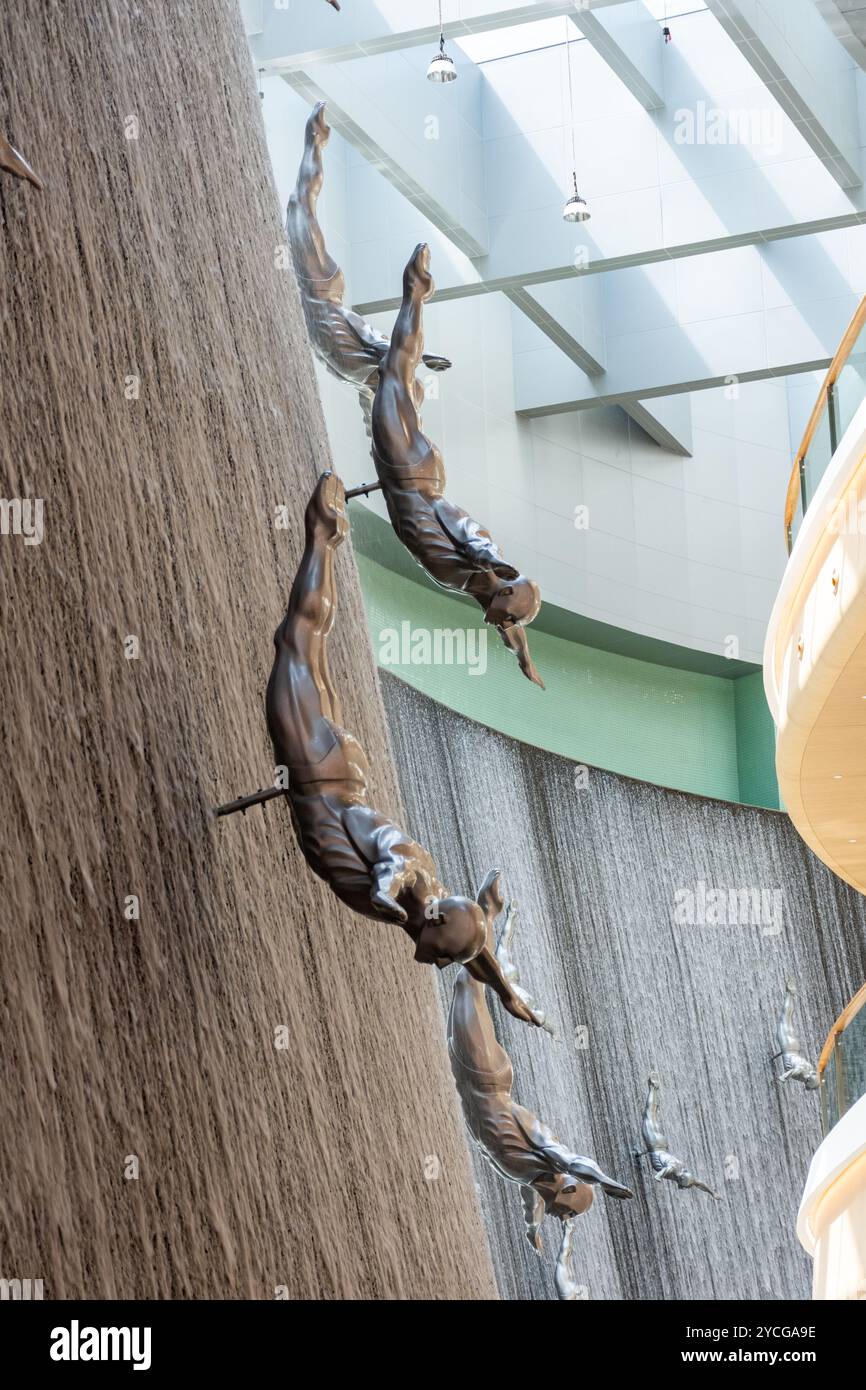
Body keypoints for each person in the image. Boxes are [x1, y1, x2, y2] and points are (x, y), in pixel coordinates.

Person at [265, 470, 540, 1025]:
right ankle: (324, 533)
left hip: (336, 773)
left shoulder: (433, 907)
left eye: (444, 958)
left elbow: (476, 950)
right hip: (315, 770)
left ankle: (325, 538)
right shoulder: (412, 880)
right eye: (443, 956)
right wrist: (385, 885)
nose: (438, 965)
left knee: (308, 643)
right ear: (436, 919)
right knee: (300, 638)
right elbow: (393, 852)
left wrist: (506, 992)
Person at [448, 871, 632, 1295]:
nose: (561, 1217)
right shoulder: (550, 1157)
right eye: (568, 1211)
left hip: (470, 1078)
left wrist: (532, 1231)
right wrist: (605, 1182)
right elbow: (574, 1160)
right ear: (568, 1189)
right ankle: (486, 909)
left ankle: (484, 913)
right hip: (485, 1075)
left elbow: (530, 1203)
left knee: (470, 981)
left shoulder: (532, 1180)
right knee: (468, 980)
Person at [371, 243, 544, 687]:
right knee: (394, 375)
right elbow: (453, 517)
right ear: (506, 587)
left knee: (398, 384)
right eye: (505, 616)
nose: (499, 623)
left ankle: (412, 355)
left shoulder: (484, 591)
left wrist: (524, 659)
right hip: (410, 474)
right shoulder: (483, 561)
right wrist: (487, 555)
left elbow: (512, 631)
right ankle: (416, 291)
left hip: (404, 480)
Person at [287, 102, 450, 434]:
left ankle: (315, 140)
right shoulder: (381, 367)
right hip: (320, 292)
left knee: (299, 208)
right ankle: (314, 139)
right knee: (300, 207)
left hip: (314, 298)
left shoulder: (366, 384)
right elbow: (391, 347)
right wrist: (424, 357)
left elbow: (374, 426)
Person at [637, 1075, 720, 1197]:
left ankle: (654, 1090)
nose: (682, 1188)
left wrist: (713, 1193)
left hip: (661, 1145)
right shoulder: (676, 1170)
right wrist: (658, 1176)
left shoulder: (684, 1171)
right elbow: (668, 1169)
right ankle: (653, 1088)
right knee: (649, 1114)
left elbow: (699, 1183)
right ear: (681, 1178)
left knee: (653, 1116)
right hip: (653, 1143)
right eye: (682, 1185)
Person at [775, 978, 819, 1089]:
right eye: (807, 1085)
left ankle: (791, 995)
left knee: (788, 1018)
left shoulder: (810, 1068)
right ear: (808, 1081)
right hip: (787, 1047)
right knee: (784, 1019)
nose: (805, 1085)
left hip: (794, 1048)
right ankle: (789, 994)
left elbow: (798, 1068)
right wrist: (784, 1077)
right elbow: (795, 1070)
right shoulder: (803, 1074)